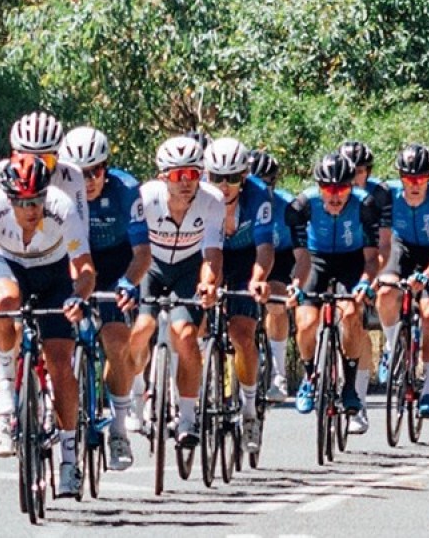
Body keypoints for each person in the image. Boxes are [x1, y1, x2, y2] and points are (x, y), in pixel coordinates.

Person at [0, 154, 94, 498]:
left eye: (36, 201)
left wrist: (78, 297)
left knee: (60, 363)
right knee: (2, 303)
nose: (31, 209)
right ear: (9, 199)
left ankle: (68, 460)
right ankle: (5, 387)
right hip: (10, 265)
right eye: (22, 202)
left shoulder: (62, 207)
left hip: (54, 275)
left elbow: (84, 267)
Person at [58, 126, 147, 470]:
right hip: (73, 262)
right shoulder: (57, 190)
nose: (89, 179)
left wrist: (128, 282)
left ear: (106, 167)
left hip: (114, 263)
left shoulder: (126, 190)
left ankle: (120, 429)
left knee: (116, 341)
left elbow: (142, 252)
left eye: (95, 170)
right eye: (80, 173)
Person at [126, 136, 224, 449]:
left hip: (187, 267)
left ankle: (186, 416)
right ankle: (137, 390)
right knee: (143, 327)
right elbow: (135, 248)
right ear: (163, 177)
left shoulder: (212, 200)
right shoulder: (145, 198)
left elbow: (212, 252)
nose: (186, 183)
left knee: (185, 335)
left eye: (193, 174)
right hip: (151, 266)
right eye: (178, 176)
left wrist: (209, 283)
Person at [287, 152, 381, 434]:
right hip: (316, 260)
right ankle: (309, 376)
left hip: (352, 261)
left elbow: (371, 258)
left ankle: (350, 386)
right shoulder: (302, 205)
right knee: (305, 322)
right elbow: (301, 259)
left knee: (351, 313)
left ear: (351, 186)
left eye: (342, 189)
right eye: (329, 189)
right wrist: (295, 285)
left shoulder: (365, 205)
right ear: (319, 187)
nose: (336, 196)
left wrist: (365, 283)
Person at [374, 143, 429, 419]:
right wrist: (379, 273)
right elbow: (384, 241)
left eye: (421, 178)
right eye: (409, 178)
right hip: (401, 247)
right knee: (386, 292)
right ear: (400, 178)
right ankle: (390, 346)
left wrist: (428, 275)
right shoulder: (387, 194)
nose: (414, 184)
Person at [205, 137, 276, 450]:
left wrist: (258, 280)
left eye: (232, 178)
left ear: (244, 177)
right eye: (217, 178)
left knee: (241, 333)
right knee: (196, 325)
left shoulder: (259, 195)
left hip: (247, 257)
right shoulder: (201, 197)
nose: (224, 186)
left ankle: (249, 409)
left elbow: (265, 248)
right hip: (211, 255)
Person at [252, 151, 298, 401]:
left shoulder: (288, 205)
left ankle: (278, 375)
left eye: (265, 183)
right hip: (248, 253)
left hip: (282, 255)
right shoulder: (239, 203)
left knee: (275, 303)